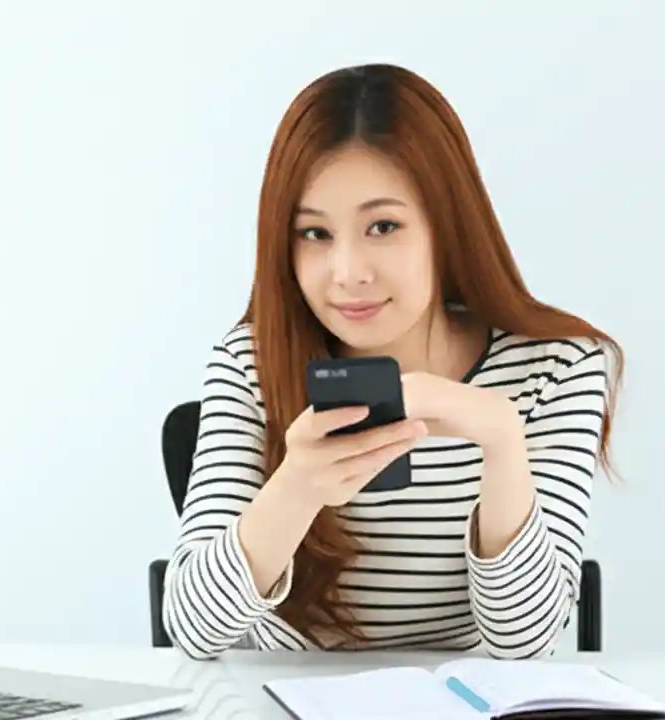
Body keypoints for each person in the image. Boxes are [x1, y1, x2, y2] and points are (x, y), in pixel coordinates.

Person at [161, 63, 623, 661]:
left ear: (446, 225)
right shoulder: (249, 364)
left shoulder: (557, 369)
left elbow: (526, 642)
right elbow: (193, 632)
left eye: (383, 226)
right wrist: (298, 487)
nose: (348, 271)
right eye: (314, 235)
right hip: (284, 698)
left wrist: (502, 439)